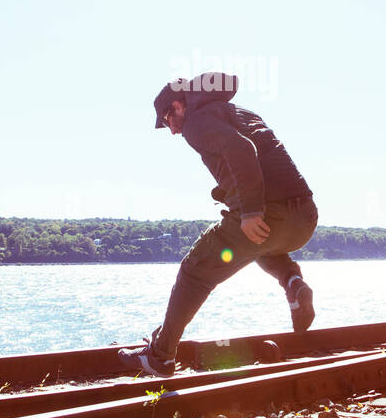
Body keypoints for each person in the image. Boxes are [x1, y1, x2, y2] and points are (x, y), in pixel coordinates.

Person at [118, 71, 318, 377]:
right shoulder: (239, 112)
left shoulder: (196, 122)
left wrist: (250, 211)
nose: (170, 131)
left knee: (194, 272)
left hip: (268, 214)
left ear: (178, 106)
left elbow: (241, 150)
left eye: (166, 120)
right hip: (304, 218)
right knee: (258, 243)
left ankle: (160, 356)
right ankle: (293, 282)